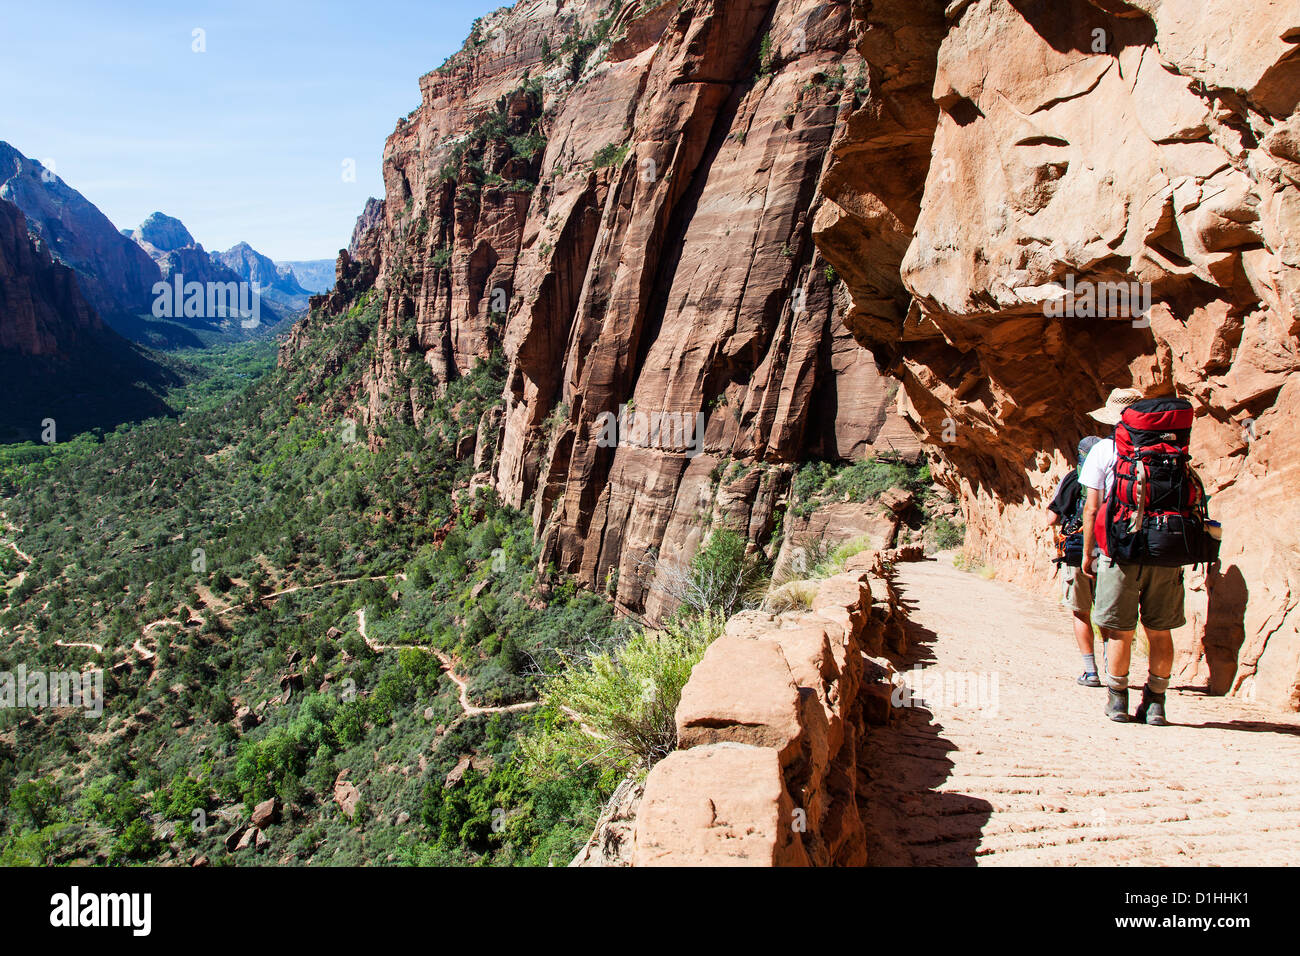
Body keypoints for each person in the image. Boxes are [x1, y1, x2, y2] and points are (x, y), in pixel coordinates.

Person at [1080, 388, 1184, 725]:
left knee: (1120, 631)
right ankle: (1156, 702)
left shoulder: (1104, 450)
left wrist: (1088, 554)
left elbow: (1092, 508)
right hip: (1165, 549)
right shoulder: (1173, 450)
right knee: (1159, 631)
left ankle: (1118, 700)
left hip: (1120, 549)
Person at [1047, 435, 1103, 686]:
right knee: (1110, 616)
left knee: (1082, 613)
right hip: (1112, 551)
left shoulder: (1074, 478)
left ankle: (1091, 671)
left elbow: (1051, 518)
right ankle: (1114, 671)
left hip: (1077, 551)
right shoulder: (1118, 473)